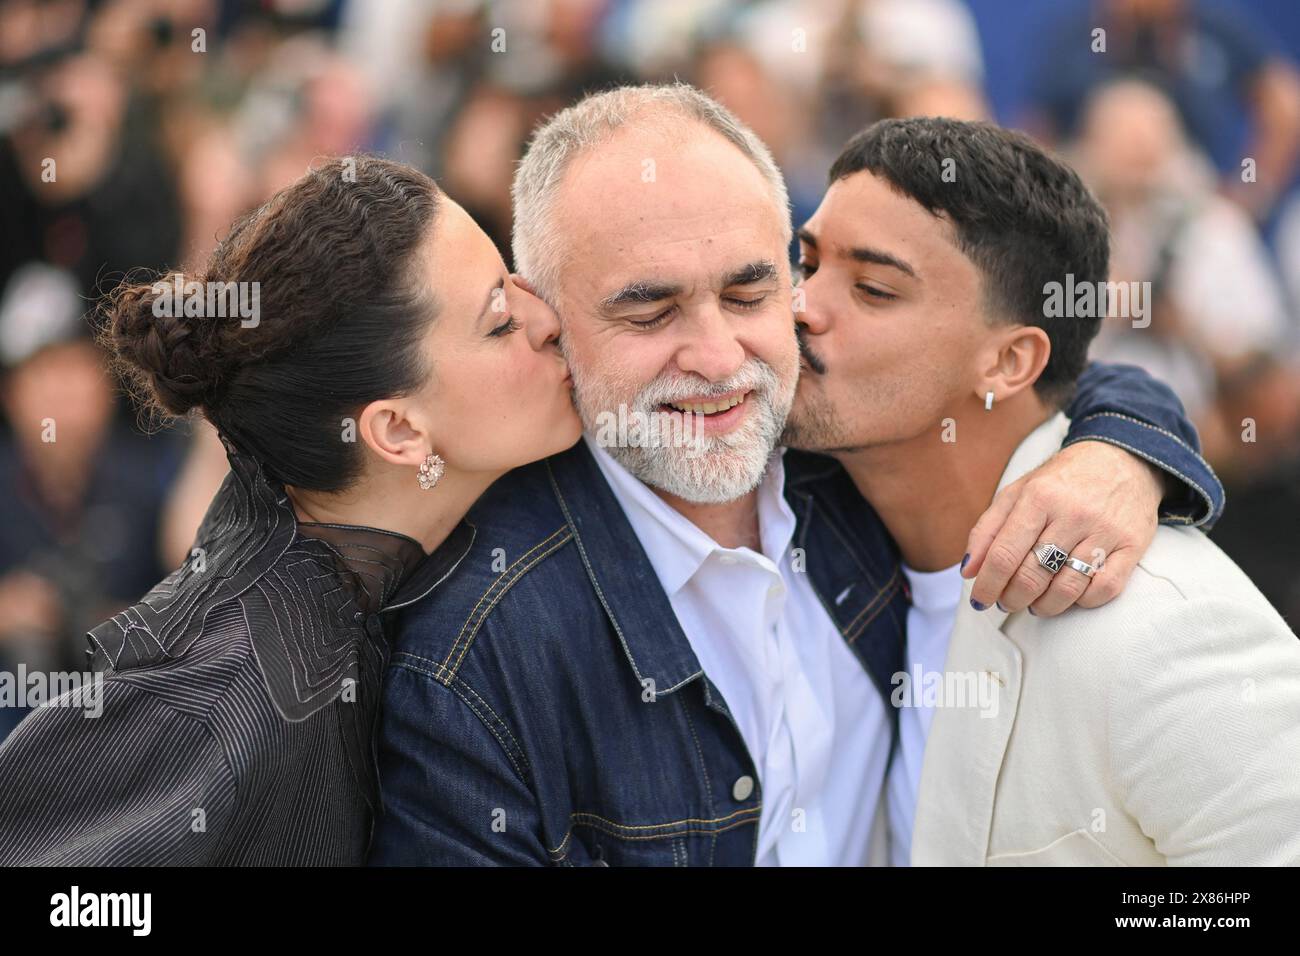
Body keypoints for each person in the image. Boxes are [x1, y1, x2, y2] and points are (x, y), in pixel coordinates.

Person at [371, 83, 1223, 867]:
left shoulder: (844, 456)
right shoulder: (475, 656)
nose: (716, 358)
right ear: (545, 322)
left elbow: (1034, 369)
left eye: (749, 295)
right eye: (650, 310)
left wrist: (1122, 452)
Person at [0, 155, 581, 864]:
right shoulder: (230, 703)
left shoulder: (344, 592)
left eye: (515, 276)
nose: (546, 316)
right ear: (396, 430)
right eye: (499, 320)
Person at [786, 116, 1300, 866]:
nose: (800, 306)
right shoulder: (781, 521)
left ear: (1008, 363)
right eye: (804, 263)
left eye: (872, 288)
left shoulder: (1164, 627)